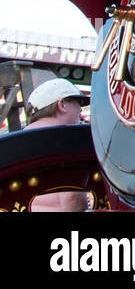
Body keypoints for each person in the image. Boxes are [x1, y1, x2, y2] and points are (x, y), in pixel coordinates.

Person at [22, 78, 94, 212]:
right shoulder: (64, 141)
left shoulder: (17, 142)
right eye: (78, 103)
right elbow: (71, 196)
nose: (80, 111)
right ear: (62, 105)